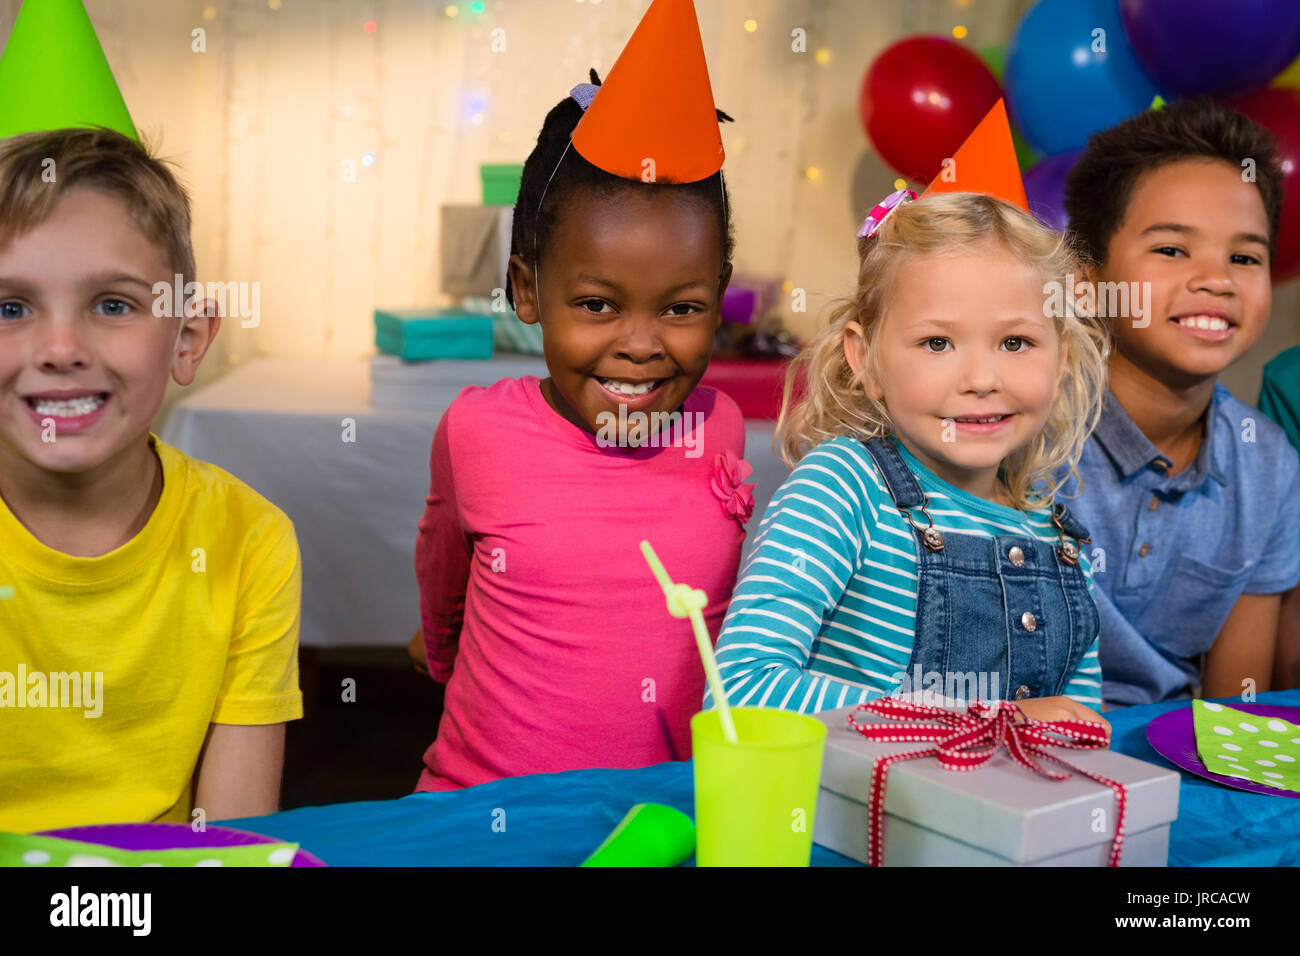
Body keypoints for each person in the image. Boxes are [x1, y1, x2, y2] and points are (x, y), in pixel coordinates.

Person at [412, 0, 753, 790]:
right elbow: (444, 583)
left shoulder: (723, 428)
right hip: (482, 812)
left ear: (720, 296)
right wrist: (439, 657)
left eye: (681, 307)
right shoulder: (476, 432)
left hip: (662, 820)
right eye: (597, 304)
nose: (640, 345)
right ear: (526, 290)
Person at [710, 102, 1110, 728]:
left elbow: (1075, 722)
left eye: (1016, 342)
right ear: (863, 358)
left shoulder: (1061, 543)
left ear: (1061, 360)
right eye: (937, 343)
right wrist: (989, 719)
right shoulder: (842, 491)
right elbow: (740, 693)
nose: (982, 380)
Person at [0, 126, 303, 830]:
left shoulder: (248, 542)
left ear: (188, 339)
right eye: (10, 308)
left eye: (113, 304)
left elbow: (229, 838)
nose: (61, 350)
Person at [1061, 98, 1300, 707]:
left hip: (1171, 764)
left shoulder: (1269, 465)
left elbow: (1234, 710)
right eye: (1172, 250)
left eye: (1244, 258)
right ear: (1088, 286)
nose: (1217, 280)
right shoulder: (1022, 431)